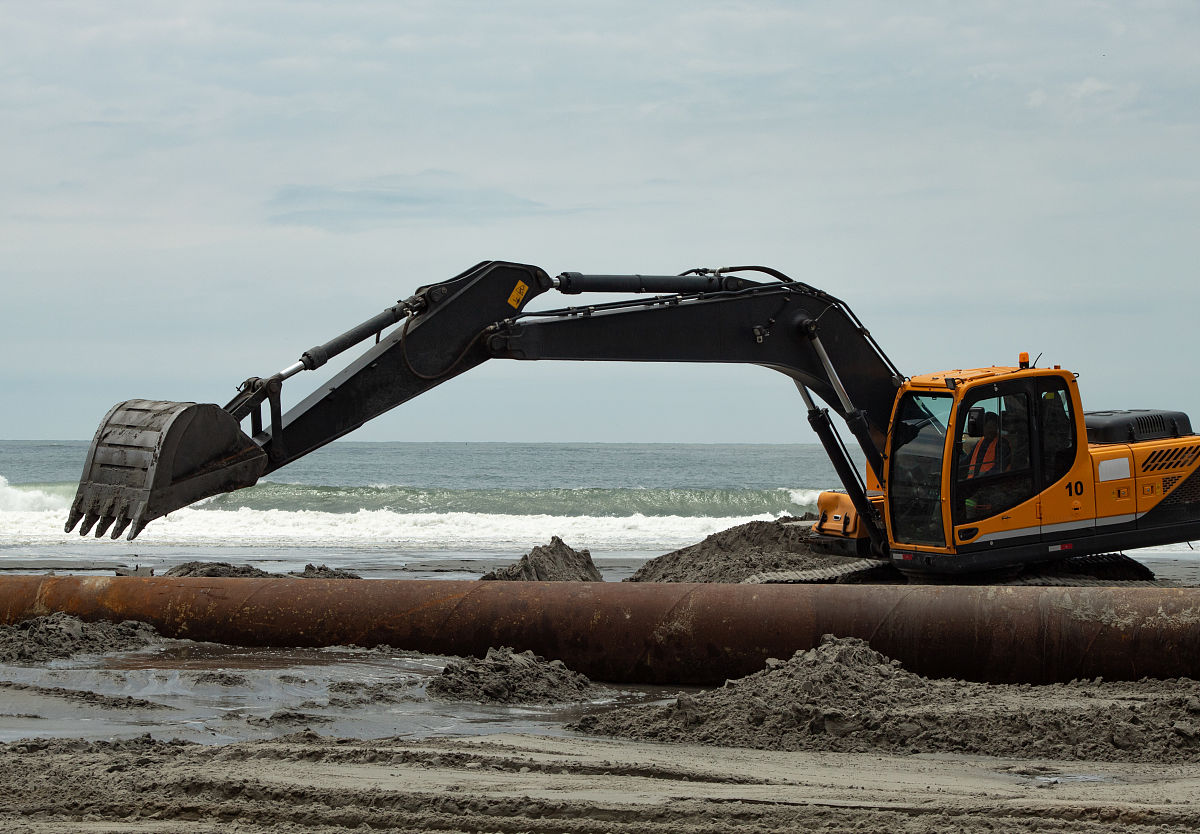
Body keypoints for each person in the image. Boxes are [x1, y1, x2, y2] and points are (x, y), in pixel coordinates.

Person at [965, 412, 1010, 478]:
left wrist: (981, 478)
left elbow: (999, 468)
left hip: (990, 484)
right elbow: (967, 461)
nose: (991, 430)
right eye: (988, 427)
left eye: (993, 427)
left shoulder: (1002, 444)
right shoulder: (980, 443)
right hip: (974, 483)